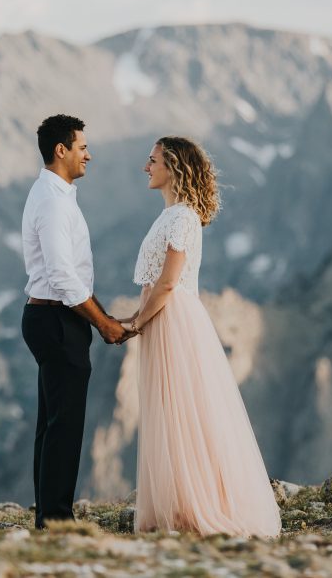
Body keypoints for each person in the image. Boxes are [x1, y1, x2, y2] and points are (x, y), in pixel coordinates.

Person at [119, 136, 281, 538]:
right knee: (170, 413)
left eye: (152, 160)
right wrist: (136, 317)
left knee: (183, 413)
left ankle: (196, 507)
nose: (146, 167)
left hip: (174, 320)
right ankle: (177, 505)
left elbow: (170, 282)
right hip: (164, 318)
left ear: (173, 167)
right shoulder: (173, 215)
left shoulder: (181, 218)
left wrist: (136, 323)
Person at [20, 113, 135, 530]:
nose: (90, 154)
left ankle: (48, 518)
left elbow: (73, 274)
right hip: (54, 318)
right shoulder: (52, 201)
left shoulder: (59, 195)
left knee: (52, 424)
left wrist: (102, 313)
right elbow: (61, 276)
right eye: (83, 147)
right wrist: (103, 324)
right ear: (61, 150)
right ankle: (56, 521)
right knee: (64, 425)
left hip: (54, 315)